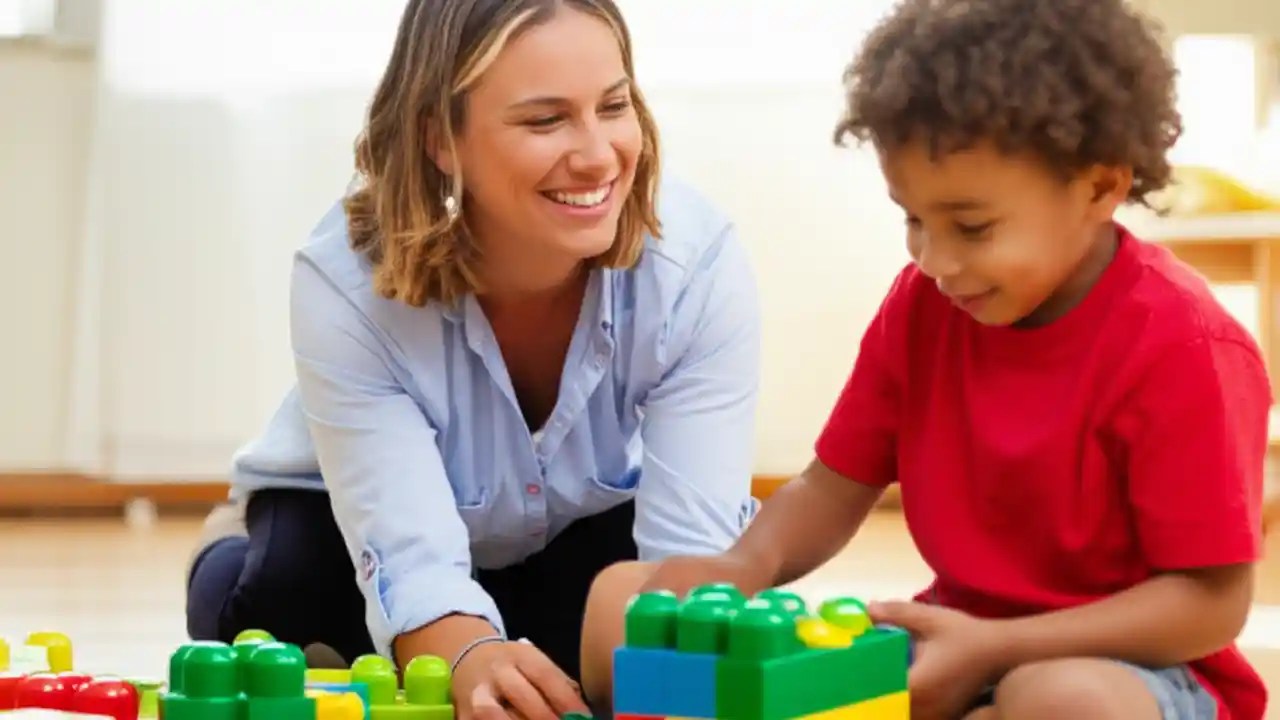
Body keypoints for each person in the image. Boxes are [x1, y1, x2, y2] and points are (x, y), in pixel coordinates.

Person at [579, 1, 1270, 719]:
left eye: (972, 227)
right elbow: (830, 487)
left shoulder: (1185, 345)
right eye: (914, 219)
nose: (935, 261)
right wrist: (743, 566)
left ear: (1099, 186)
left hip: (1126, 669)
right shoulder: (925, 305)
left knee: (1058, 698)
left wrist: (999, 649)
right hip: (949, 641)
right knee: (620, 605)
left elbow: (1209, 604)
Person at [184, 2, 762, 719]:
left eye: (613, 107)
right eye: (544, 120)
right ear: (440, 139)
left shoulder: (694, 264)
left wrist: (674, 677)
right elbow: (413, 560)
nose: (596, 154)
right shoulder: (342, 280)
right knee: (278, 618)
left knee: (578, 649)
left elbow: (692, 565)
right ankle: (226, 540)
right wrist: (465, 654)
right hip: (340, 518)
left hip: (574, 517)